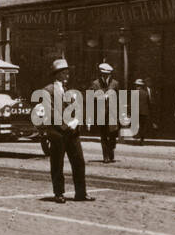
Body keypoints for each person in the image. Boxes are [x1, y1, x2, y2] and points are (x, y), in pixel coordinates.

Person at [38, 59, 93, 204]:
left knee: (79, 162)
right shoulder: (47, 91)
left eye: (67, 72)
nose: (67, 75)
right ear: (56, 74)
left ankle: (80, 193)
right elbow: (50, 112)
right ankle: (59, 193)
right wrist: (66, 125)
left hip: (72, 132)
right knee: (57, 164)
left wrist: (77, 120)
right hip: (57, 133)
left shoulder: (70, 90)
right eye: (64, 72)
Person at [88, 62, 121, 162]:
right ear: (101, 73)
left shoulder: (115, 83)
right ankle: (105, 156)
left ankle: (111, 149)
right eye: (104, 73)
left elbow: (120, 98)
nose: (106, 75)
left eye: (108, 74)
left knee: (112, 135)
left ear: (110, 74)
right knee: (103, 135)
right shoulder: (96, 84)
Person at [133, 78, 153, 144]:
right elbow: (149, 103)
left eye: (136, 85)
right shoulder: (145, 93)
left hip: (136, 112)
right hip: (144, 112)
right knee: (143, 126)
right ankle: (142, 139)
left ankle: (136, 136)